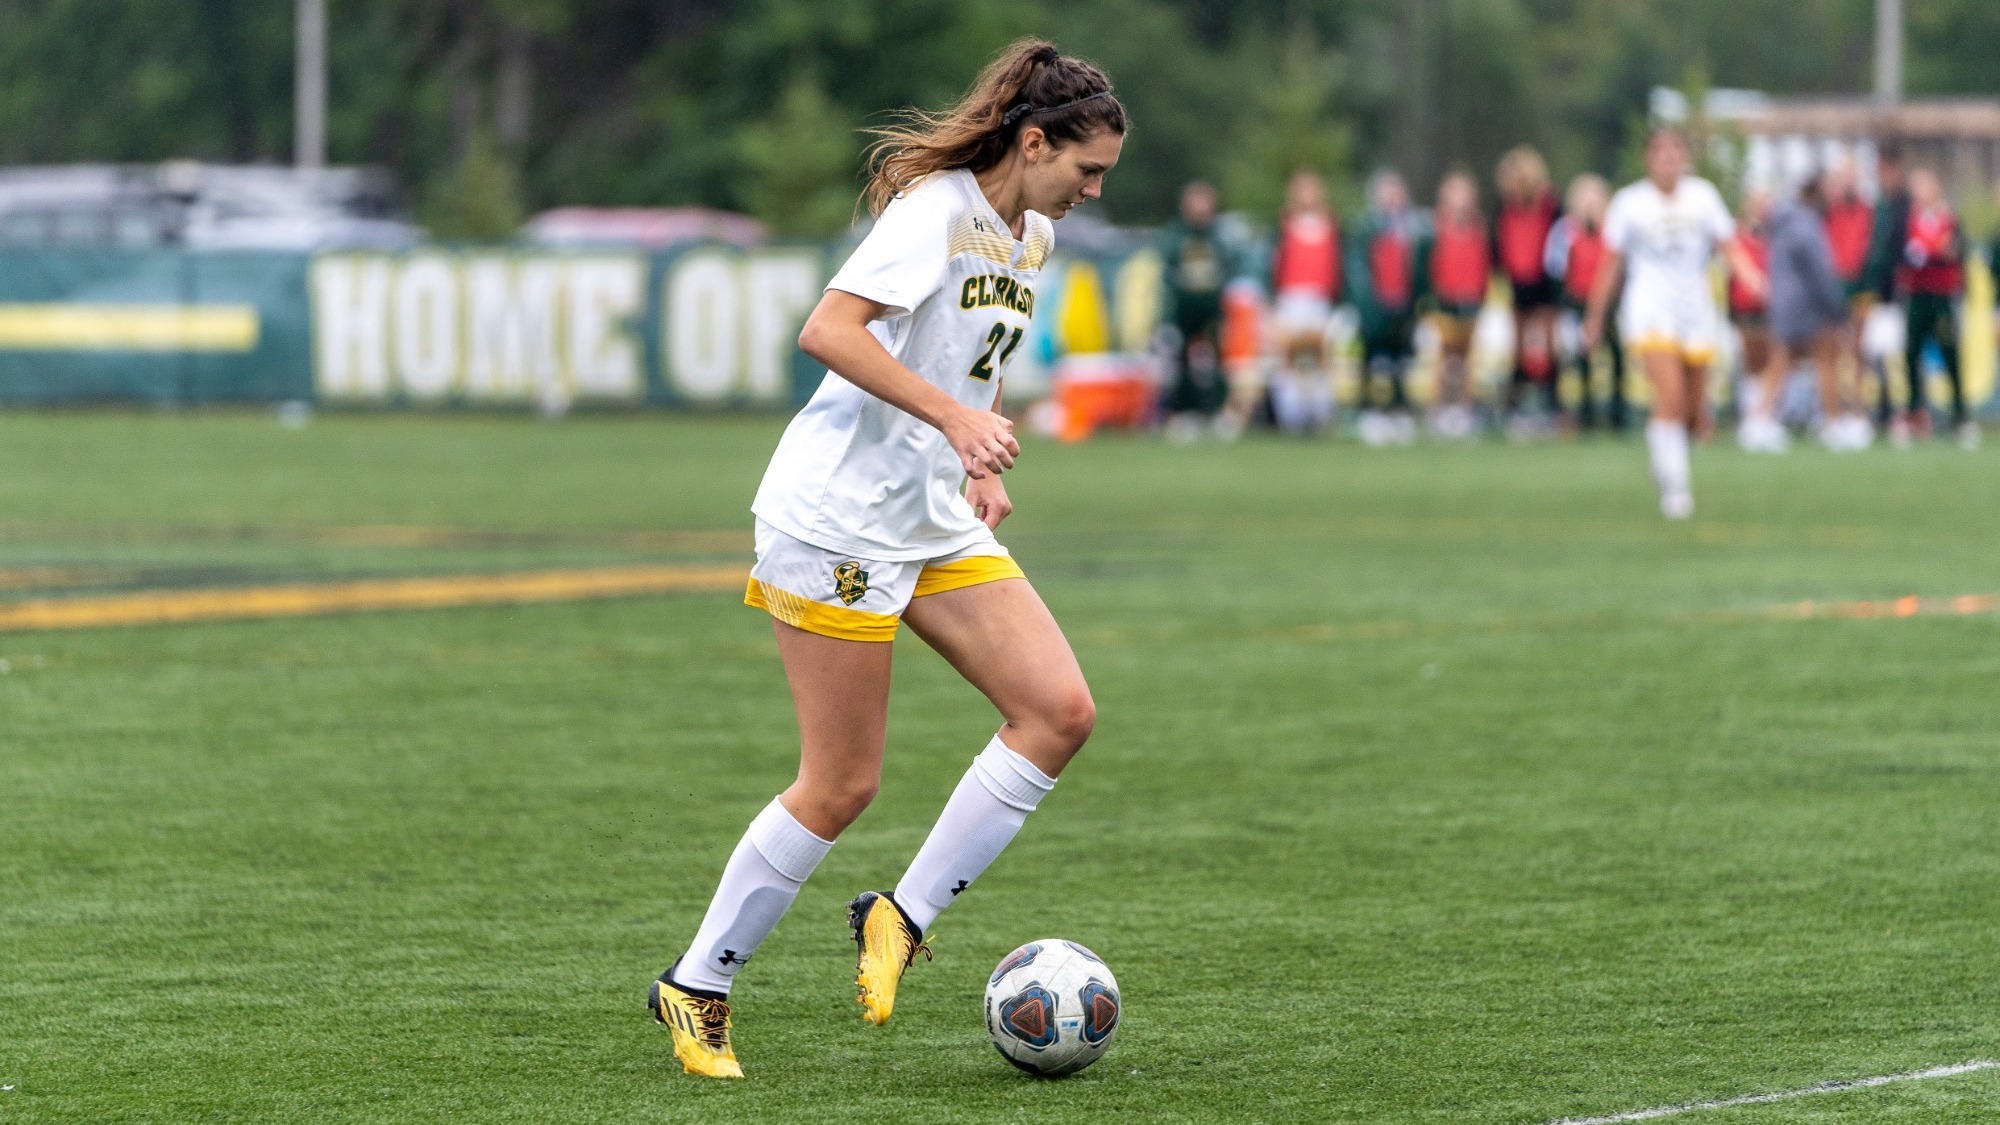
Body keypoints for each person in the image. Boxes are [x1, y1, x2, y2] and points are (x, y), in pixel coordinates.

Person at [647, 38, 1124, 1079]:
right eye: (1084, 169)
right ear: (1032, 140)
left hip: (930, 513)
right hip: (837, 520)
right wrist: (955, 423)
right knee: (841, 782)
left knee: (1058, 712)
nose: (1092, 191)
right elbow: (829, 330)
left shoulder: (1027, 231)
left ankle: (900, 919)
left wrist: (978, 459)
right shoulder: (934, 214)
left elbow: (974, 358)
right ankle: (697, 986)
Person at [1585, 126, 1763, 520]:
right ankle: (1676, 492)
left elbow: (1728, 245)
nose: (1667, 158)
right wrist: (1595, 315)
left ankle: (1662, 452)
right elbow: (1611, 262)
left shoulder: (1703, 197)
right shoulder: (1630, 203)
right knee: (1669, 396)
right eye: (1659, 151)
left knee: (1693, 414)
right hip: (1649, 309)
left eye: (1674, 151)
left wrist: (1751, 276)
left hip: (1695, 309)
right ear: (1648, 158)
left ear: (1685, 157)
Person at [1760, 175, 1858, 452]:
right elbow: (1820, 272)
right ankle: (1833, 422)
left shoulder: (1785, 222)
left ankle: (1760, 419)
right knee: (1826, 359)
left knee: (1781, 362)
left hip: (1785, 303)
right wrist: (1837, 308)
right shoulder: (1806, 223)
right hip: (1806, 306)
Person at [1345, 168, 1425, 445]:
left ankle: (1398, 410)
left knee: (1401, 362)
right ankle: (1369, 411)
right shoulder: (1366, 228)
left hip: (1403, 305)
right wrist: (1366, 304)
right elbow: (1357, 271)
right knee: (1372, 360)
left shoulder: (1412, 230)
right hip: (1375, 306)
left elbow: (1418, 272)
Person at [1897, 167, 1972, 447]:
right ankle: (1915, 415)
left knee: (1950, 352)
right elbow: (1906, 251)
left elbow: (1952, 250)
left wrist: (1931, 252)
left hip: (1941, 295)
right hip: (1916, 295)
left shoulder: (1948, 217)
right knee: (1911, 354)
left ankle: (1960, 416)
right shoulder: (1908, 217)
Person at [1159, 180, 1238, 439]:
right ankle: (1183, 413)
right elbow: (1166, 271)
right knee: (1181, 364)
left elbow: (1229, 267)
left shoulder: (1219, 236)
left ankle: (1218, 412)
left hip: (1212, 309)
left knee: (1218, 363)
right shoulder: (1176, 235)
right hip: (1183, 309)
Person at [1545, 173, 1625, 430]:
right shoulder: (1565, 231)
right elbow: (1555, 266)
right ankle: (1586, 412)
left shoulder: (1614, 229)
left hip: (1609, 302)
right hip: (1578, 301)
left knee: (1616, 354)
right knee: (1582, 358)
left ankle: (1617, 411)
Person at [1495, 146, 1563, 435]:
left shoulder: (1550, 206)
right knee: (1518, 349)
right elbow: (1498, 243)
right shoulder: (1505, 208)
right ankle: (1515, 406)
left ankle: (1552, 405)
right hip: (1517, 282)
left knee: (1549, 348)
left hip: (1544, 283)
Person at [1269, 168, 1343, 434]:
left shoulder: (1331, 224)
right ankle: (1291, 416)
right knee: (1288, 359)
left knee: (1320, 360)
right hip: (1291, 297)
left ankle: (1319, 414)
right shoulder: (1285, 223)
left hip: (1320, 297)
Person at [1428, 169, 1490, 439]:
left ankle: (1465, 410)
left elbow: (1483, 264)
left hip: (1471, 299)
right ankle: (1439, 410)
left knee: (1467, 360)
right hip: (1445, 299)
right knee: (1444, 357)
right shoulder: (1437, 225)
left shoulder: (1478, 226)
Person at [1822, 157, 1876, 438]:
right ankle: (1832, 415)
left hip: (1859, 286)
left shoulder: (1867, 210)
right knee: (1830, 350)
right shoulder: (1828, 210)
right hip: (1833, 285)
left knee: (1858, 350)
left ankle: (1857, 411)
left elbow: (1869, 246)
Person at [1861, 144, 1912, 438]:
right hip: (1878, 293)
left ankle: (1902, 412)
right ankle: (1884, 409)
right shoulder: (1880, 205)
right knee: (1877, 354)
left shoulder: (1904, 206)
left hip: (1899, 292)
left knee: (1896, 355)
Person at [1729, 189, 1781, 451]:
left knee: (1770, 361)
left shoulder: (1774, 238)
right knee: (1751, 363)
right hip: (1745, 307)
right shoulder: (1736, 237)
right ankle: (1751, 416)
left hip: (1770, 308)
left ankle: (1765, 415)